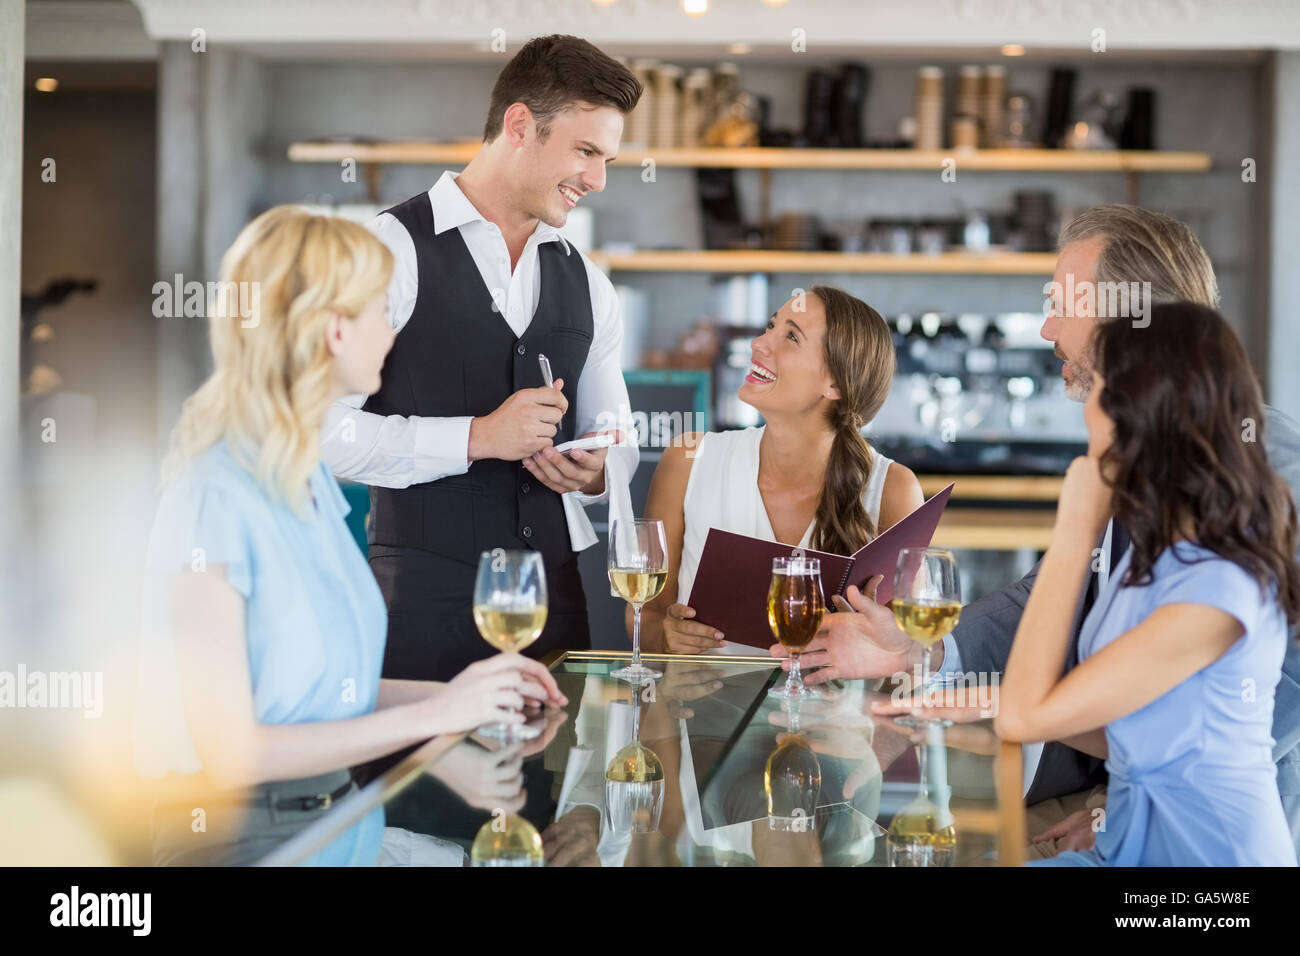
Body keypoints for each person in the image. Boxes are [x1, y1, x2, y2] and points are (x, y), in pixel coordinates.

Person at [806, 204, 1300, 858]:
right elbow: (1048, 612)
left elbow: (1249, 706)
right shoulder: (1147, 464)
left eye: (1063, 304)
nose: (1045, 329)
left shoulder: (1263, 480)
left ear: (1134, 325)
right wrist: (928, 662)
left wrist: (1075, 520)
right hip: (1130, 823)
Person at [134, 207, 566, 866]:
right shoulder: (212, 496)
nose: (395, 330)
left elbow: (321, 690)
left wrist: (466, 700)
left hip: (342, 821)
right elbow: (233, 754)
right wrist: (436, 718)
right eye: (382, 311)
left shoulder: (303, 477)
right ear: (336, 330)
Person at [320, 35, 642, 683]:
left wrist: (595, 470)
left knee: (549, 786)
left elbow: (621, 442)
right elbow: (320, 434)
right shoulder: (388, 250)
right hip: (424, 607)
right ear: (519, 125)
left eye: (606, 158)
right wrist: (477, 438)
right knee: (422, 783)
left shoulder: (589, 281)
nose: (597, 179)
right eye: (585, 151)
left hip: (557, 602)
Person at [997, 302, 1298, 865]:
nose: (1087, 410)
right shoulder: (1158, 556)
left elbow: (1024, 716)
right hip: (1127, 848)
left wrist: (1076, 527)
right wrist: (973, 702)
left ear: (1143, 410)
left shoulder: (1221, 587)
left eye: (1101, 389)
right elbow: (1133, 733)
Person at [638, 285, 924, 655]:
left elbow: (910, 655)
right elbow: (643, 617)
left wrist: (874, 641)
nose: (760, 343)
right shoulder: (689, 460)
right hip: (702, 709)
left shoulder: (893, 488)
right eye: (770, 326)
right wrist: (665, 636)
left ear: (834, 382)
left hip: (834, 713)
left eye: (790, 336)